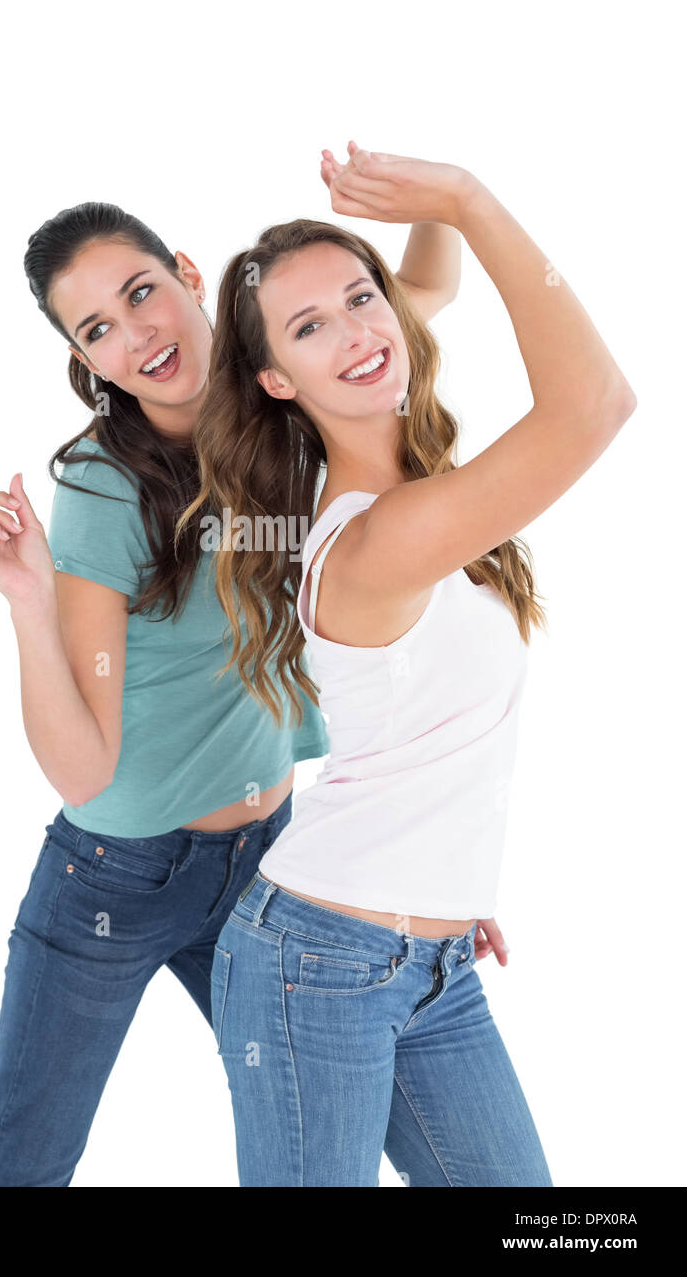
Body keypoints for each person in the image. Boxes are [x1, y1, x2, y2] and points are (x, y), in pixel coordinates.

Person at [0, 194, 466, 1186]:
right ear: (86, 359)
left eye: (141, 291)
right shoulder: (104, 487)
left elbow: (425, 292)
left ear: (188, 272)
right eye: (96, 327)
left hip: (279, 864)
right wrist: (26, 603)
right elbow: (85, 768)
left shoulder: (285, 382)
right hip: (118, 875)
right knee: (17, 1164)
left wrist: (440, 191)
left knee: (399, 1114)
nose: (135, 334)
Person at [182, 144, 637, 1186]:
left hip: (430, 962)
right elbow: (593, 403)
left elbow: (421, 727)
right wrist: (468, 200)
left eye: (360, 298)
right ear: (274, 380)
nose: (354, 332)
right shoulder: (383, 536)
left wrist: (440, 867)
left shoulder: (419, 499)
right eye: (309, 328)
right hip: (318, 967)